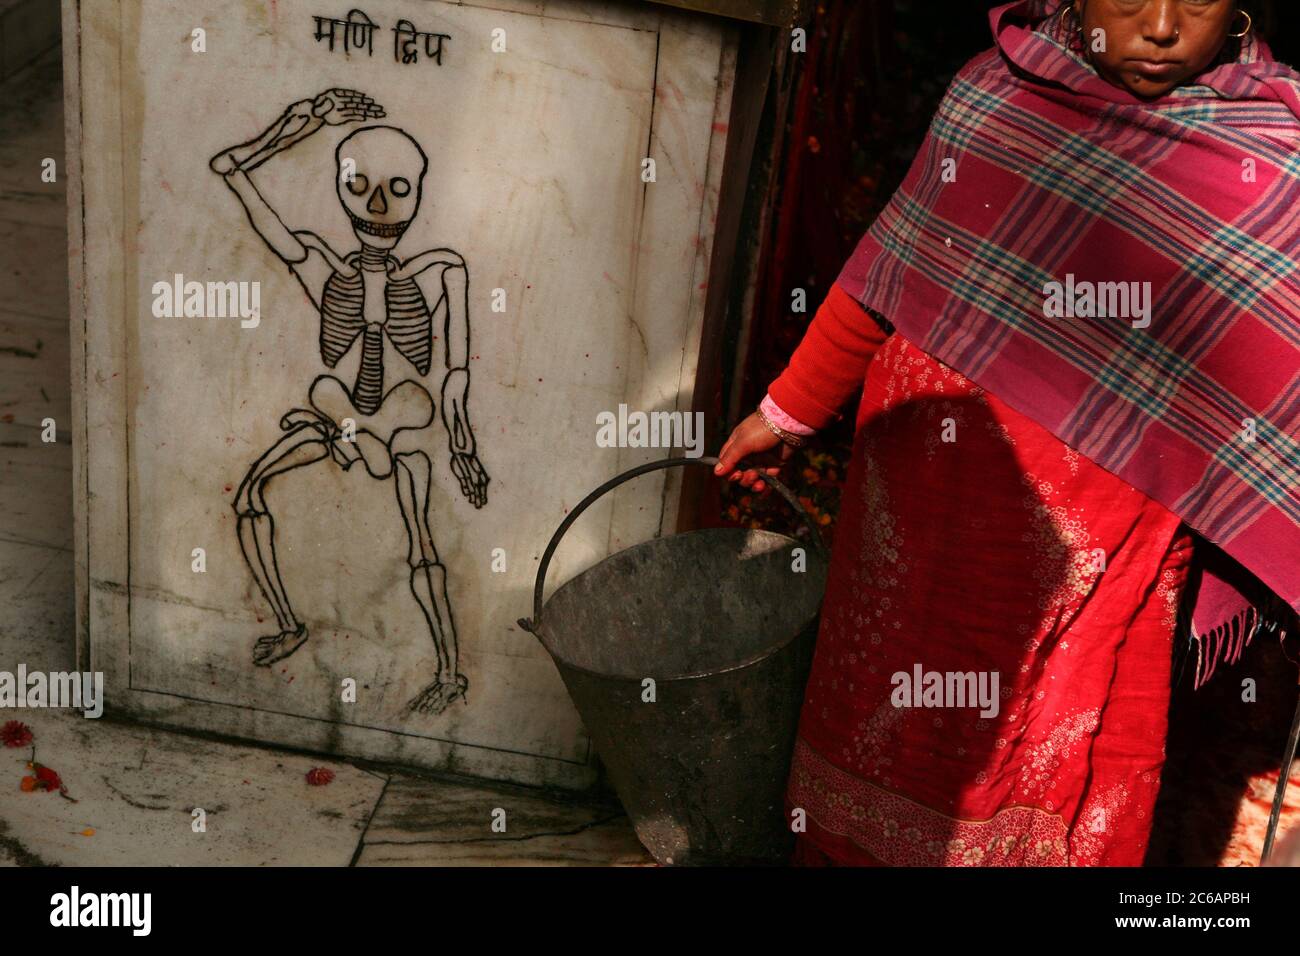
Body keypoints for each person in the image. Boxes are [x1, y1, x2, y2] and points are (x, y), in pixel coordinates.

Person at [716, 0, 1300, 866]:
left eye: (1199, 0)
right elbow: (891, 266)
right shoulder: (994, 97)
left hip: (1106, 539)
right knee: (894, 711)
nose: (1164, 26)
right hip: (923, 505)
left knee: (1071, 738)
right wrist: (787, 410)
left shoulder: (1269, 152)